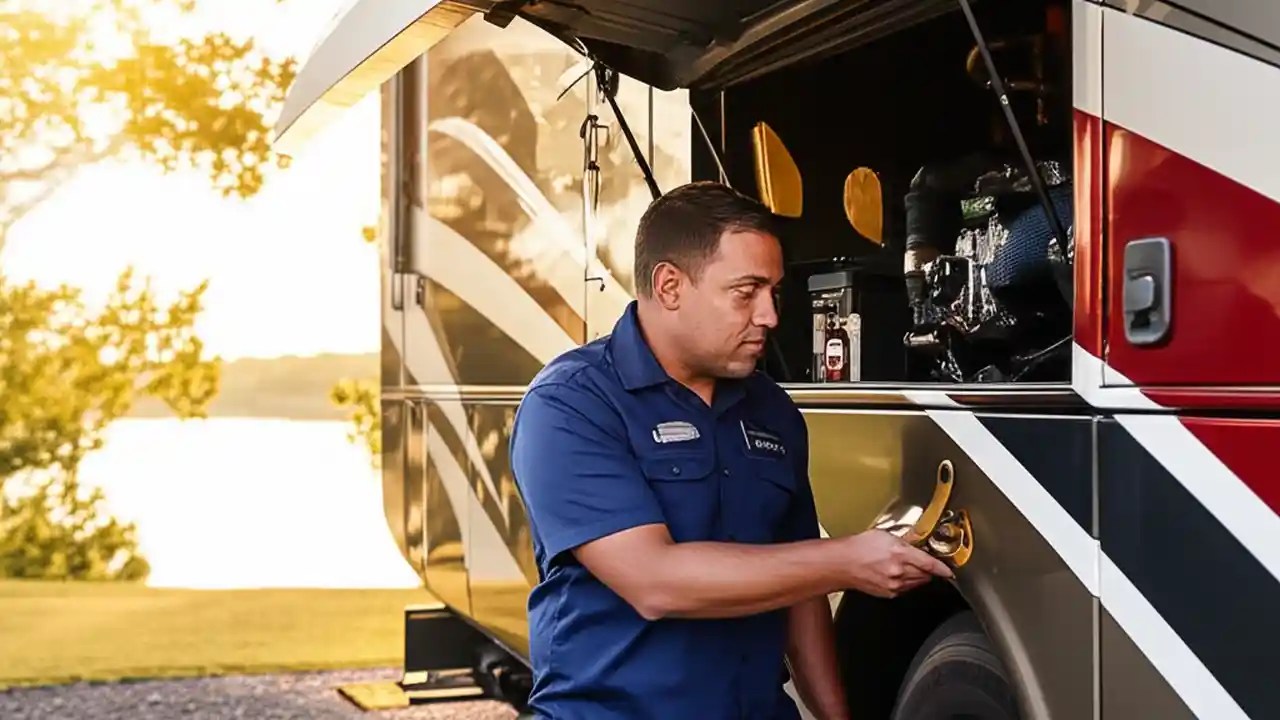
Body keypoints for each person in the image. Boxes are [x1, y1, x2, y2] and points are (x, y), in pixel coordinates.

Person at [509, 181, 954, 720]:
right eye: (746, 292)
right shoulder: (573, 403)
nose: (769, 316)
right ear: (670, 286)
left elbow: (802, 591)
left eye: (774, 292)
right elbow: (653, 581)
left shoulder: (772, 410)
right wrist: (847, 561)